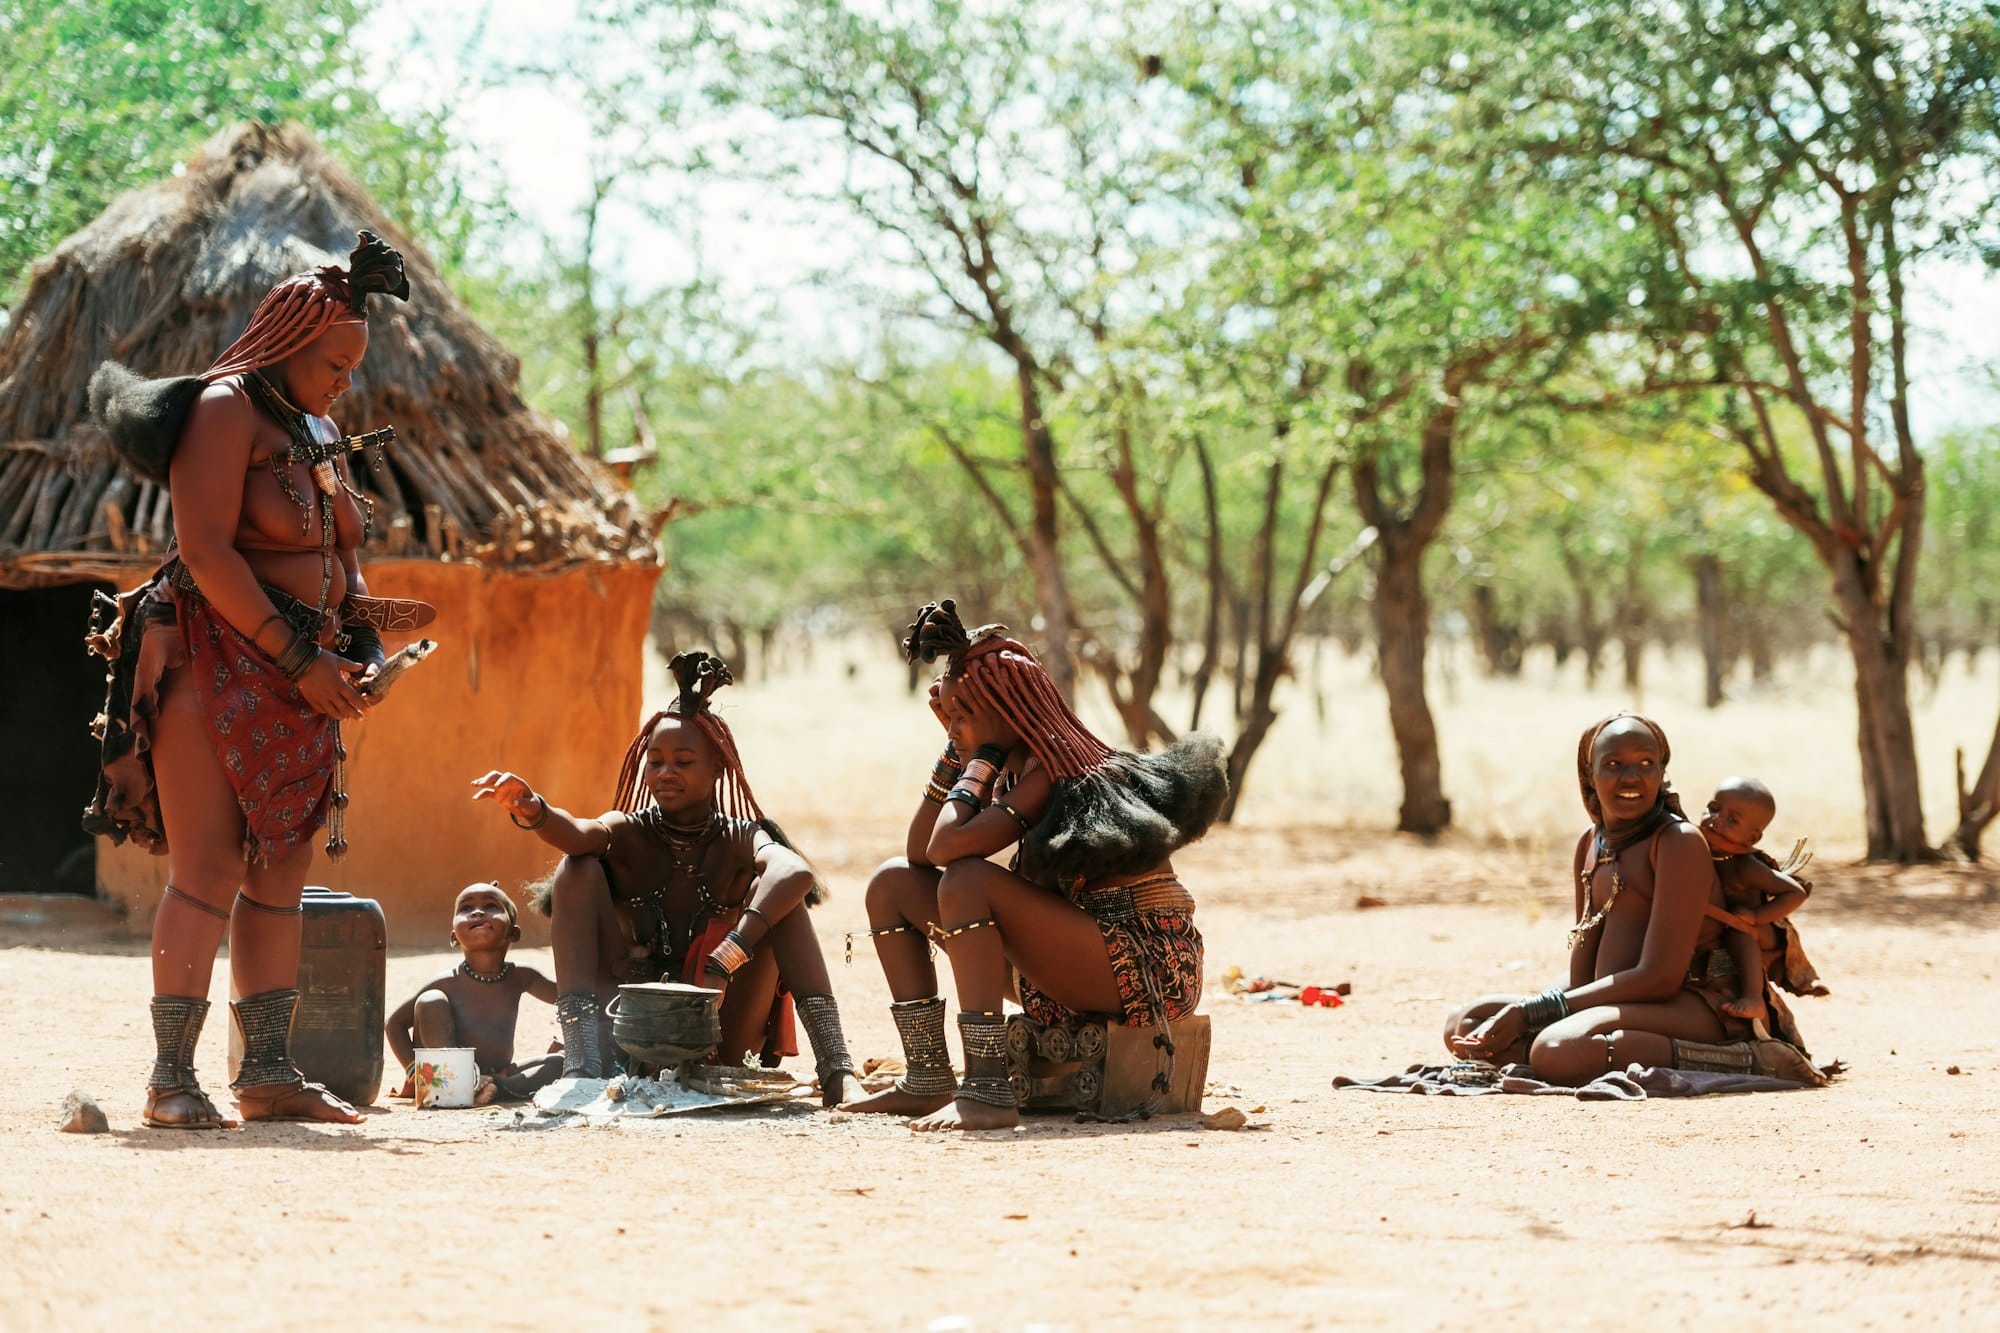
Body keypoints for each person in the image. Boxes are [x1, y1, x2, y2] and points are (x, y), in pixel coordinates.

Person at [83, 232, 416, 1128]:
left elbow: (345, 558)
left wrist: (365, 651)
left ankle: (268, 1073)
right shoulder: (224, 411)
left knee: (283, 867)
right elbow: (205, 551)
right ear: (288, 345)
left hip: (305, 677)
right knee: (210, 866)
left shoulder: (320, 429)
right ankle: (170, 1081)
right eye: (334, 364)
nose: (344, 381)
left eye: (353, 366)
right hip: (211, 656)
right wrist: (302, 660)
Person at [844, 599, 1227, 1131]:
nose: (950, 727)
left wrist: (980, 755)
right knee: (891, 884)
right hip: (1074, 963)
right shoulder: (1008, 764)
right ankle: (928, 1075)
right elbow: (917, 853)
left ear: (1007, 714)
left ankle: (985, 1086)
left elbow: (945, 848)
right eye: (947, 716)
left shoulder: (1052, 772)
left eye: (962, 716)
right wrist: (961, 750)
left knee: (968, 881)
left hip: (1142, 968)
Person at [469, 651, 864, 1106]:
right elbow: (578, 835)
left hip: (718, 1031)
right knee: (576, 867)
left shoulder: (742, 837)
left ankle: (837, 1070)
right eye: (655, 762)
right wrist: (534, 809)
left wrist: (724, 959)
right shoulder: (626, 830)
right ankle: (581, 1063)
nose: (665, 773)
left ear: (717, 769)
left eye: (683, 761)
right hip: (626, 1033)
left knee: (780, 895)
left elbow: (794, 870)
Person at [1444, 713, 1824, 1085]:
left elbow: (1659, 978)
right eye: (1613, 764)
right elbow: (1582, 972)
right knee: (1467, 1022)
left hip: (1696, 1003)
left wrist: (1538, 1012)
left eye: (1646, 763)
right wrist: (1536, 1011)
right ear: (1589, 775)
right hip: (1624, 1000)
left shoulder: (1678, 843)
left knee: (1556, 1048)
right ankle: (1560, 1047)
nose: (1631, 776)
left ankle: (1748, 1059)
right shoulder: (1590, 843)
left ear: (1662, 773)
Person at [385, 883, 560, 1104]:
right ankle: (455, 1089)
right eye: (466, 909)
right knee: (430, 1001)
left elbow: (566, 996)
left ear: (513, 933)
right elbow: (394, 1024)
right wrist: (415, 1072)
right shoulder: (447, 983)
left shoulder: (521, 976)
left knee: (557, 1063)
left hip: (497, 1073)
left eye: (491, 906)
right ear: (454, 937)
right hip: (445, 1079)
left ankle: (495, 1089)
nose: (478, 912)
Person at [1696, 776, 1825, 1024]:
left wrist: (1757, 917)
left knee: (1738, 933)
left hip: (1761, 929)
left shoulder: (1746, 866)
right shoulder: (1697, 845)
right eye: (1714, 809)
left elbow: (1795, 892)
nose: (1716, 820)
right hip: (1726, 920)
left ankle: (1753, 998)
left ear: (1752, 838)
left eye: (1732, 820)